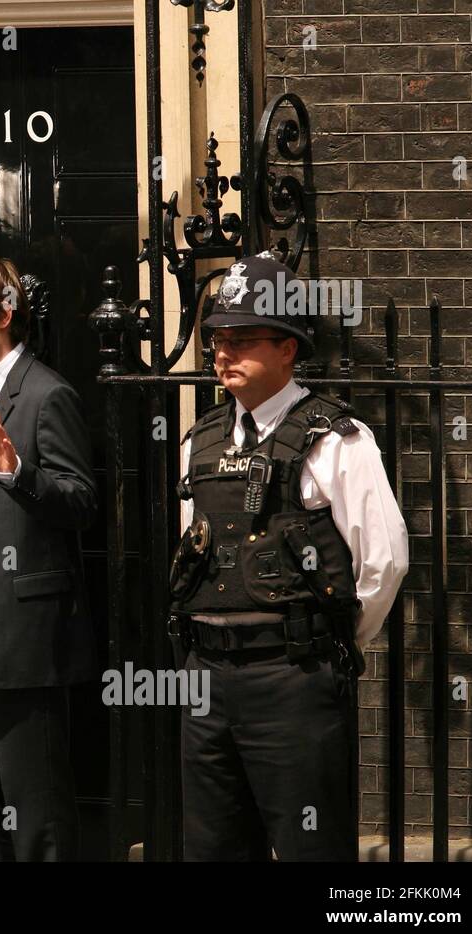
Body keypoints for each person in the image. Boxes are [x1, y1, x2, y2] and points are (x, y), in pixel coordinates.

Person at [170, 252, 409, 861]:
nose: (223, 353)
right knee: (213, 847)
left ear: (289, 348)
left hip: (293, 676)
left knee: (311, 849)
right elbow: (196, 551)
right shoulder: (200, 440)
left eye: (243, 339)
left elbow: (382, 562)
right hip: (206, 677)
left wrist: (329, 639)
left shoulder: (336, 438)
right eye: (218, 339)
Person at [0, 256, 98, 862]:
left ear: (3, 315)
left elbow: (81, 501)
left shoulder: (47, 392)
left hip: (25, 626)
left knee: (36, 798)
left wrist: (17, 473)